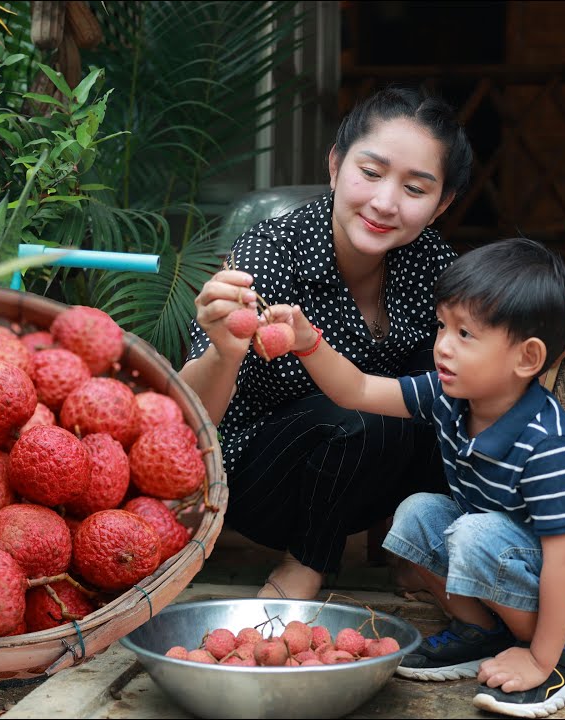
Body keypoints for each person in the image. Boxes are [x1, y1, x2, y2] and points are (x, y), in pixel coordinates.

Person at [268, 238, 565, 717]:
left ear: (527, 358)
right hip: (506, 553)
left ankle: (560, 661)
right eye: (443, 326)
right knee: (417, 514)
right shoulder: (449, 395)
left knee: (473, 532)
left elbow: (564, 558)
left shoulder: (547, 441)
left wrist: (540, 656)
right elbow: (357, 389)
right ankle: (481, 632)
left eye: (465, 334)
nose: (442, 345)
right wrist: (307, 341)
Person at [179, 86, 474, 600]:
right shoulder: (270, 254)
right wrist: (224, 350)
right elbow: (185, 420)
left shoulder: (434, 264)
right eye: (371, 172)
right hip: (264, 483)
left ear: (442, 203)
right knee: (361, 415)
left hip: (371, 479)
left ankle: (404, 545)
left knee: (455, 375)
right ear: (336, 166)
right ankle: (306, 561)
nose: (385, 203)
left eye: (415, 188)